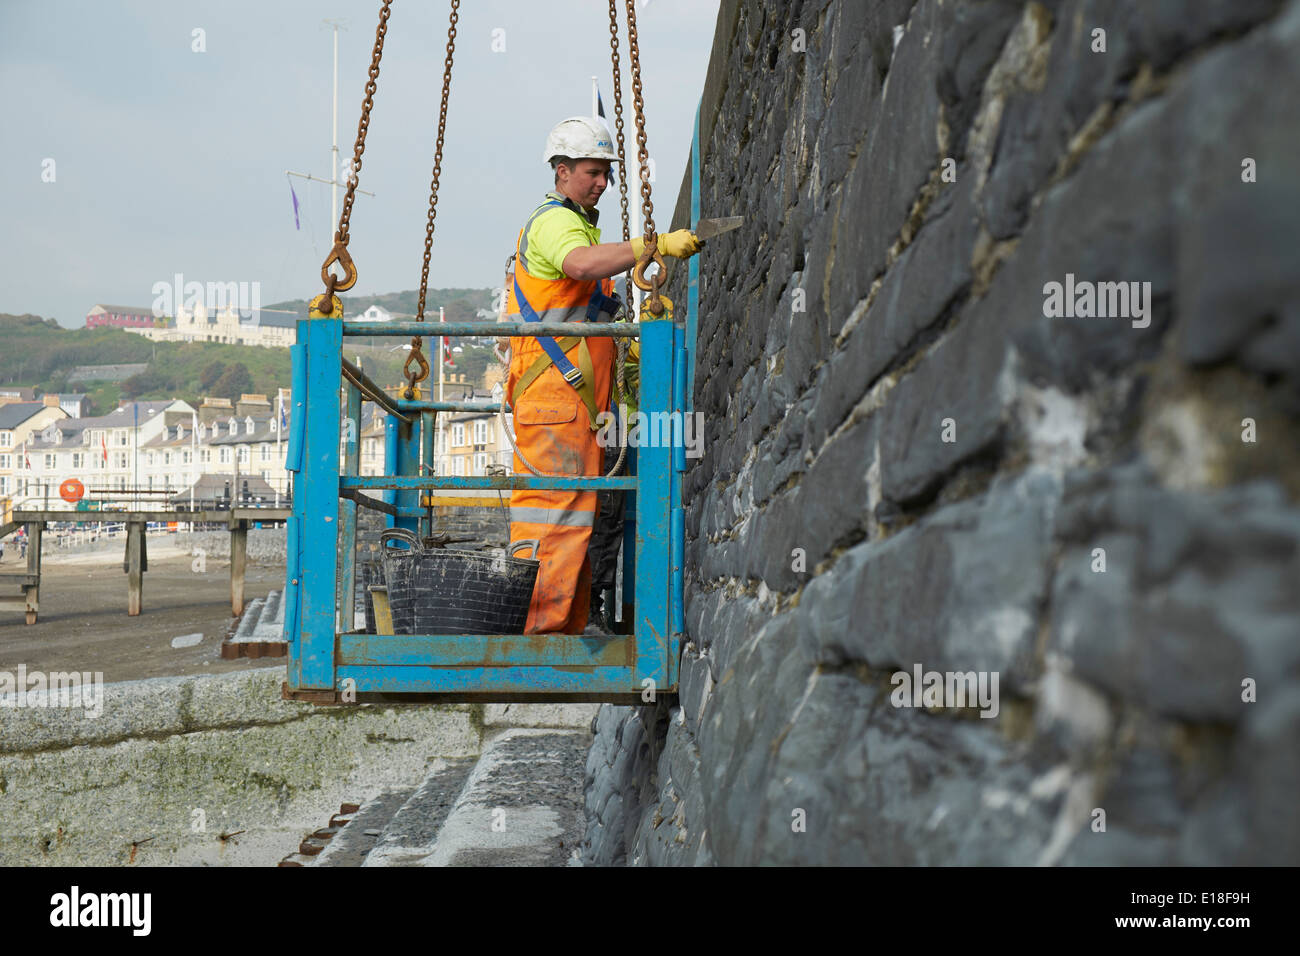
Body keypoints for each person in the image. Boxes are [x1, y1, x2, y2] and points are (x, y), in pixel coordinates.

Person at [505, 115, 699, 635]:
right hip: (554, 400)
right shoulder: (555, 223)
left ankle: (562, 627)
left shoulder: (576, 221)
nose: (602, 183)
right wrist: (649, 246)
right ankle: (541, 633)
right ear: (562, 170)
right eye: (593, 171)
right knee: (554, 513)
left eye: (606, 173)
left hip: (572, 404)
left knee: (572, 514)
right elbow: (582, 266)